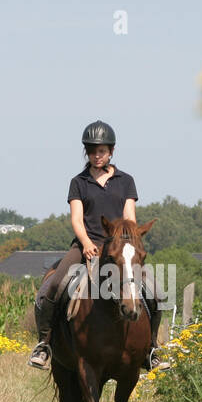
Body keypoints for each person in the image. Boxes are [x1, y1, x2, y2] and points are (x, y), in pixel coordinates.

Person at [28, 120, 169, 371]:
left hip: (119, 248)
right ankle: (44, 344)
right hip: (86, 245)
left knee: (155, 291)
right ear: (87, 152)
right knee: (55, 285)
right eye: (92, 151)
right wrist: (85, 243)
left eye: (101, 150)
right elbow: (76, 218)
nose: (96, 155)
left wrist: (130, 244)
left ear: (111, 151)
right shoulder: (79, 182)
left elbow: (130, 219)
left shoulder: (126, 181)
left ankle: (151, 349)